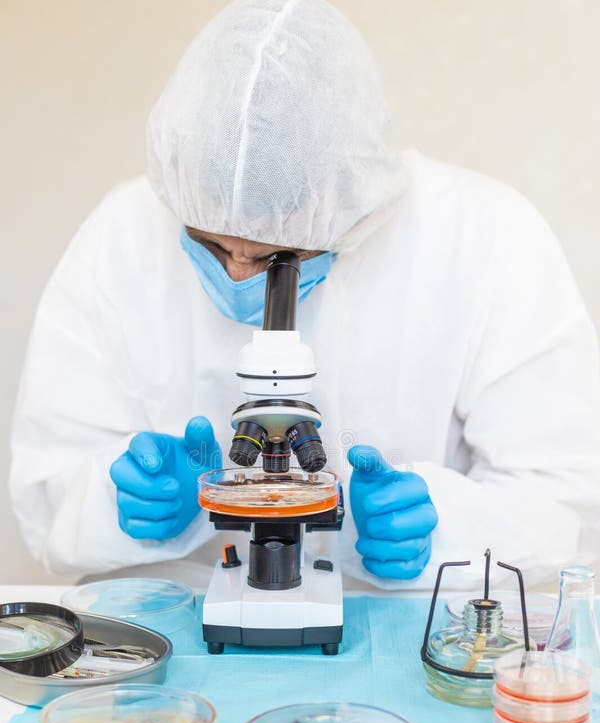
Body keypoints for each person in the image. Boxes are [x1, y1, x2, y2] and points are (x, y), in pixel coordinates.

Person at [10, 0, 600, 592]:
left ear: (348, 206)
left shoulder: (486, 241)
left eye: (274, 258)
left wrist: (446, 528)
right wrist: (122, 502)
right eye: (209, 244)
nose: (240, 276)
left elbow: (563, 503)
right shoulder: (123, 234)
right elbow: (46, 497)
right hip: (177, 613)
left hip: (399, 620)